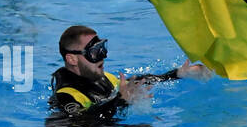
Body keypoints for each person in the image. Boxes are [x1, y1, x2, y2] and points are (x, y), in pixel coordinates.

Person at [49, 24, 209, 117]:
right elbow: (80, 121)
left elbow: (135, 82)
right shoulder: (66, 96)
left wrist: (178, 74)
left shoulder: (104, 78)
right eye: (94, 52)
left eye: (102, 49)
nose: (102, 57)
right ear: (72, 59)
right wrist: (120, 100)